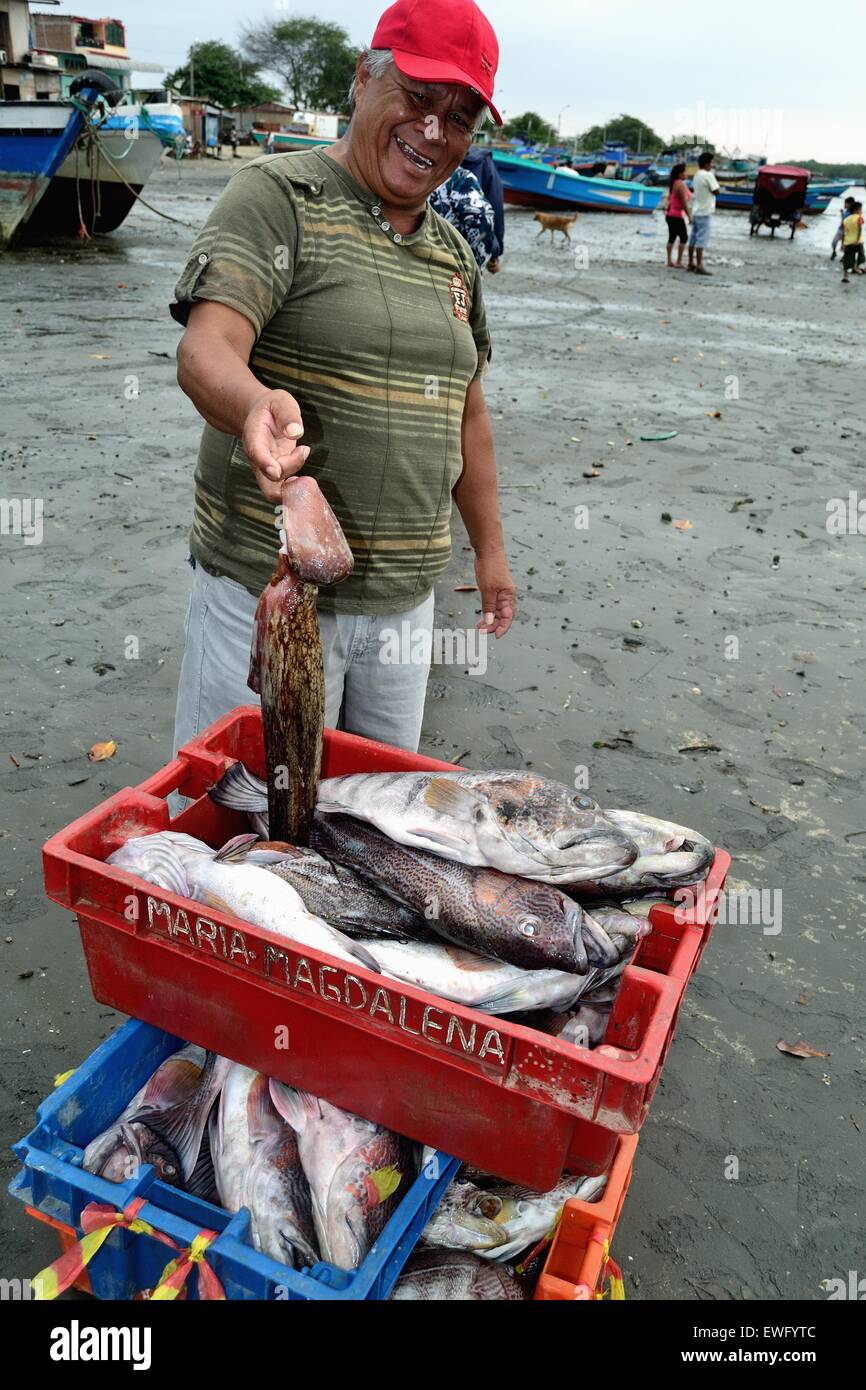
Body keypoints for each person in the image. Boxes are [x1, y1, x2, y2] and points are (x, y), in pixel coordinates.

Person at [169, 0, 515, 760]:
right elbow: (206, 349)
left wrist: (489, 551)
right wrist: (254, 403)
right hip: (272, 590)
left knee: (365, 822)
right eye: (418, 99)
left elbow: (468, 415)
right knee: (241, 812)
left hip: (405, 605)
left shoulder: (455, 255)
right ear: (364, 79)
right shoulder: (277, 197)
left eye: (458, 119)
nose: (433, 132)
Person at [430, 164, 499, 270]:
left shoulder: (404, 166)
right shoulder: (458, 177)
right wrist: (476, 267)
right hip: (449, 266)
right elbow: (484, 220)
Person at [687, 151, 720, 275]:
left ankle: (690, 263)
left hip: (696, 210)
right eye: (711, 162)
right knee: (701, 239)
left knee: (693, 238)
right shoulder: (708, 175)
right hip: (705, 211)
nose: (712, 164)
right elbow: (717, 191)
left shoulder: (697, 174)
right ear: (707, 163)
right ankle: (699, 265)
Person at [662, 161, 692, 268]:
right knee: (684, 237)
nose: (687, 173)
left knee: (672, 237)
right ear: (680, 174)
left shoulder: (674, 183)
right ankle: (679, 261)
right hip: (676, 215)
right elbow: (684, 203)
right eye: (685, 172)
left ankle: (669, 261)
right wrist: (689, 216)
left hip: (670, 214)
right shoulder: (681, 185)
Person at [840, 200, 862, 284]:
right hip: (857, 241)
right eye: (860, 210)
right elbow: (860, 229)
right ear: (857, 210)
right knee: (861, 256)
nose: (861, 211)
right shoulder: (859, 218)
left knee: (847, 259)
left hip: (848, 242)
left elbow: (844, 232)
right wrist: (857, 240)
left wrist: (842, 244)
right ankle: (856, 267)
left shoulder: (846, 219)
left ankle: (846, 275)